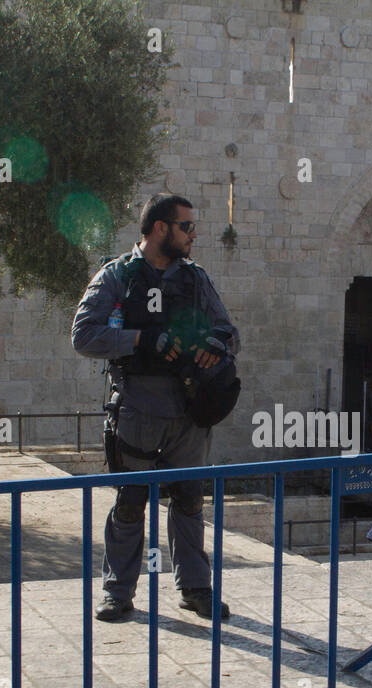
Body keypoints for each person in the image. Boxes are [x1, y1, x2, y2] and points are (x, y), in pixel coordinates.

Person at [72, 194, 240, 622]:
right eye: (186, 227)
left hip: (188, 412)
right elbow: (84, 335)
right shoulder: (117, 277)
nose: (193, 235)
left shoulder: (195, 279)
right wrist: (141, 340)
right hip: (137, 410)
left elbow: (228, 331)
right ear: (160, 228)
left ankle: (196, 588)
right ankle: (118, 592)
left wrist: (217, 346)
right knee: (130, 502)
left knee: (189, 500)